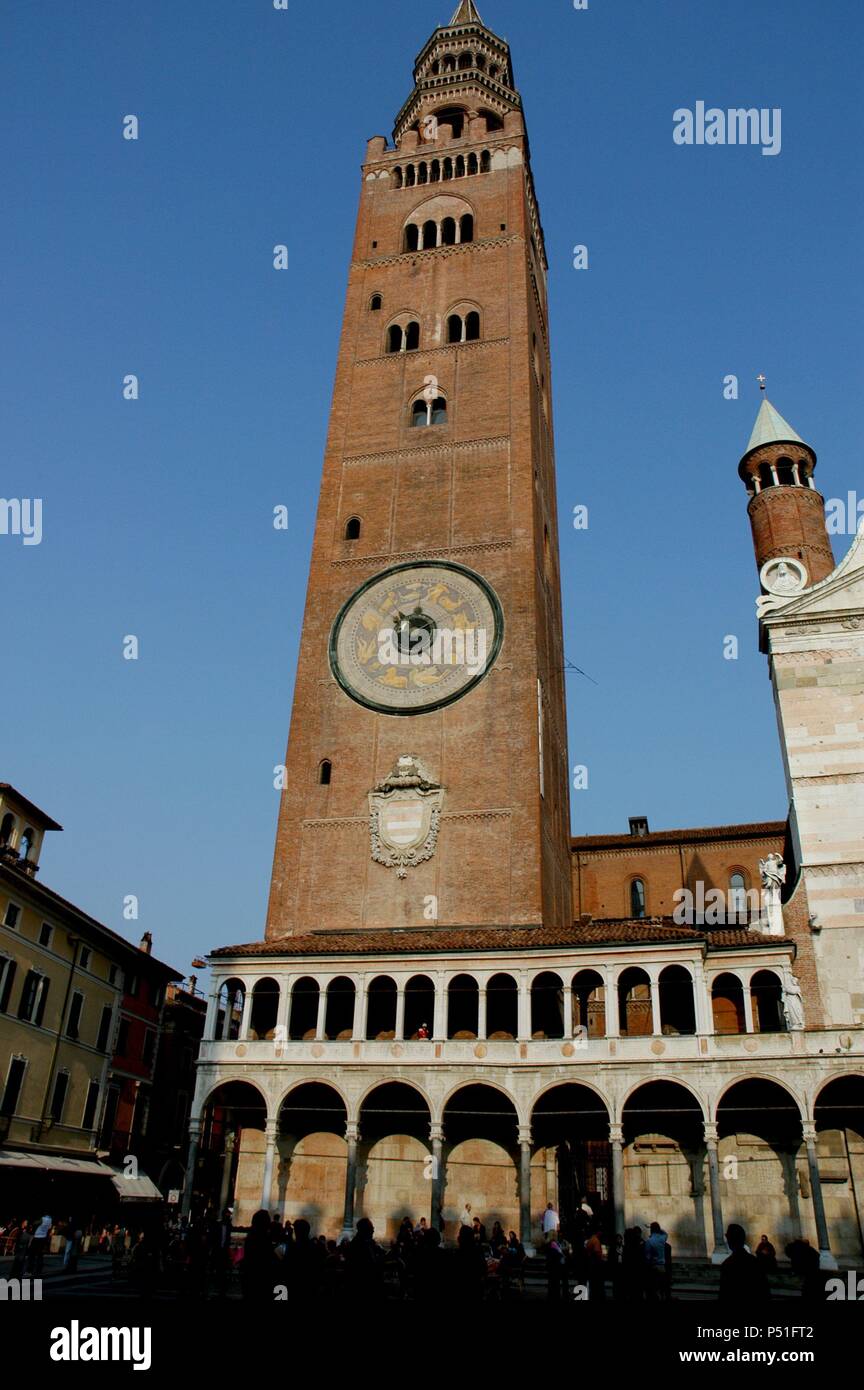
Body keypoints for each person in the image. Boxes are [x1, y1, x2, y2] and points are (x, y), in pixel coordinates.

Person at [719, 1224, 770, 1302]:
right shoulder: (755, 1262)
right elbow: (765, 1291)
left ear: (729, 1240)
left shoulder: (727, 1265)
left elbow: (724, 1295)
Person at [240, 1209, 279, 1300]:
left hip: (250, 1278)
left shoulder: (251, 1236)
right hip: (260, 1279)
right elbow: (267, 1258)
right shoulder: (263, 1238)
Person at [643, 1222, 667, 1301]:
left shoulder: (649, 1241)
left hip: (653, 1267)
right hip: (662, 1267)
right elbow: (665, 1233)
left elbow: (647, 1257)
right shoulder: (662, 1239)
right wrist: (657, 1228)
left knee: (654, 1289)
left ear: (651, 1230)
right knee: (662, 1289)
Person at [585, 1223, 606, 1300]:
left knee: (593, 1284)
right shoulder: (596, 1240)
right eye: (601, 1231)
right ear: (598, 1232)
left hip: (591, 1264)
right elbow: (597, 1252)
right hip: (596, 1265)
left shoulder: (590, 1240)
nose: (602, 1233)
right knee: (597, 1283)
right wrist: (602, 1260)